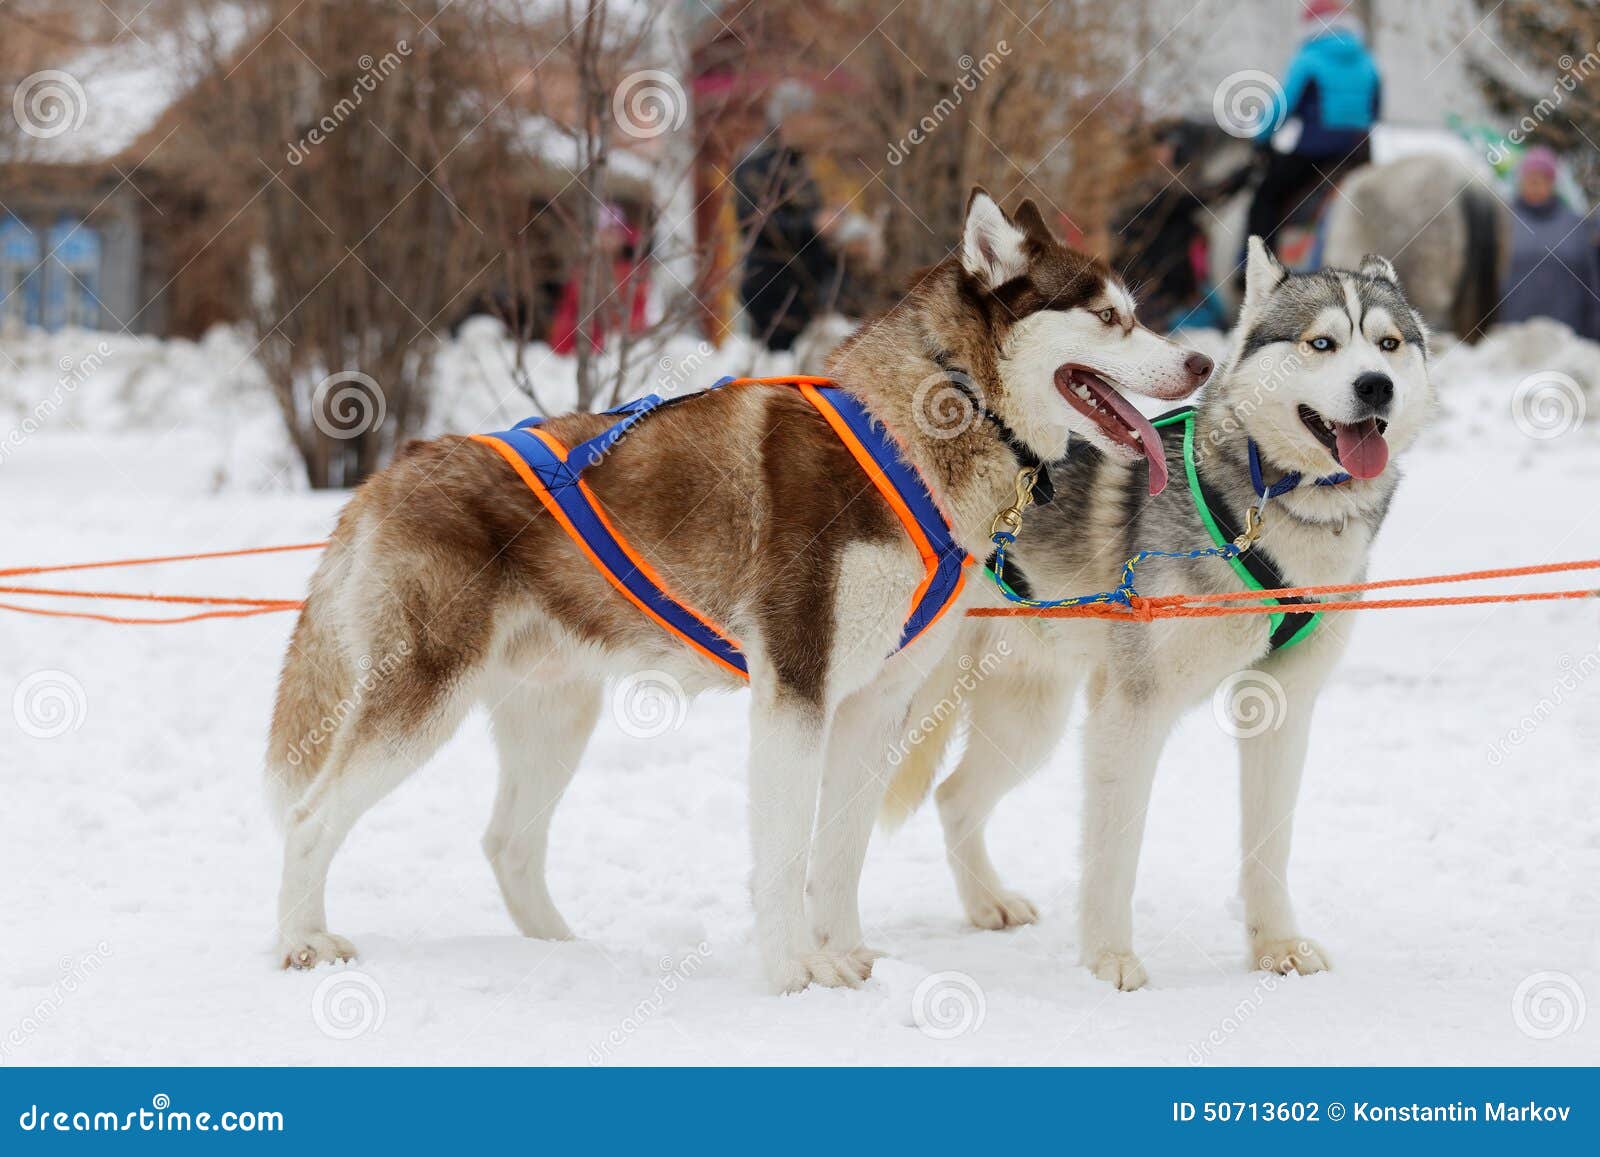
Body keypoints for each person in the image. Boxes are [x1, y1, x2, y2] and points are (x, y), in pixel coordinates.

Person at [1245, 0, 1382, 254]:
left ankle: (1252, 268)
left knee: (1265, 197)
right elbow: (1375, 112)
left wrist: (1260, 137)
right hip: (1359, 153)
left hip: (1317, 152)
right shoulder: (1368, 60)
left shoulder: (1308, 58)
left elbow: (1282, 108)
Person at [732, 81, 842, 352]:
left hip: (805, 291)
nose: (815, 126)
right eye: (808, 117)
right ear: (788, 120)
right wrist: (813, 225)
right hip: (772, 290)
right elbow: (756, 225)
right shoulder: (757, 166)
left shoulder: (799, 165)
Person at [1113, 122, 1251, 331]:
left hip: (1152, 288)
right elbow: (1204, 197)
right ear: (1150, 151)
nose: (1172, 150)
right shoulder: (1152, 190)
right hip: (1160, 290)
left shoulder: (1134, 188)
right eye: (1166, 145)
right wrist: (1245, 173)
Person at [1499, 147, 1600, 340]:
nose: (1536, 184)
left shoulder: (1576, 225)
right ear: (1521, 180)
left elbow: (1592, 282)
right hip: (1511, 339)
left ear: (1553, 183)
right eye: (1530, 177)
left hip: (1566, 338)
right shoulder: (1502, 222)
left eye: (1543, 178)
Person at [548, 203, 649, 355]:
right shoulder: (584, 270)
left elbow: (637, 312)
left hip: (622, 344)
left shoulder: (634, 270)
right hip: (587, 347)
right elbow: (569, 311)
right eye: (603, 232)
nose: (607, 239)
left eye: (612, 232)